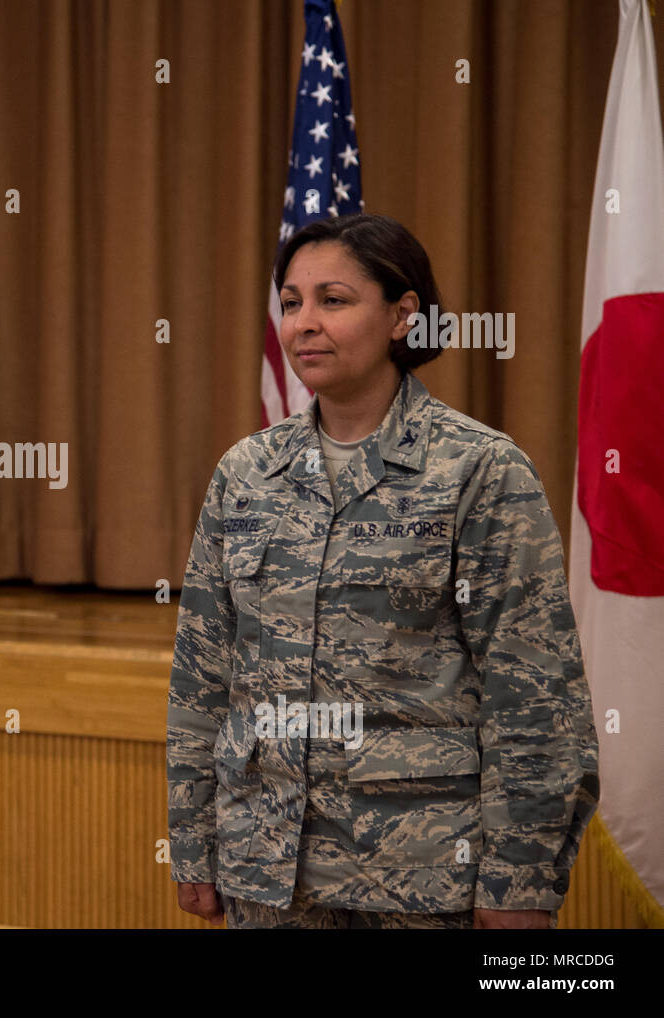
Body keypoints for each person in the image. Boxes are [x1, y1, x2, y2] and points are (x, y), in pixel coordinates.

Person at [166, 213, 598, 930]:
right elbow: (202, 680)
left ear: (404, 316)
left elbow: (534, 696)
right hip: (264, 875)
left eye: (333, 300)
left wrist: (520, 881)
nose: (304, 322)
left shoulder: (480, 471)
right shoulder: (245, 474)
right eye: (291, 302)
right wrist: (192, 844)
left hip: (420, 882)